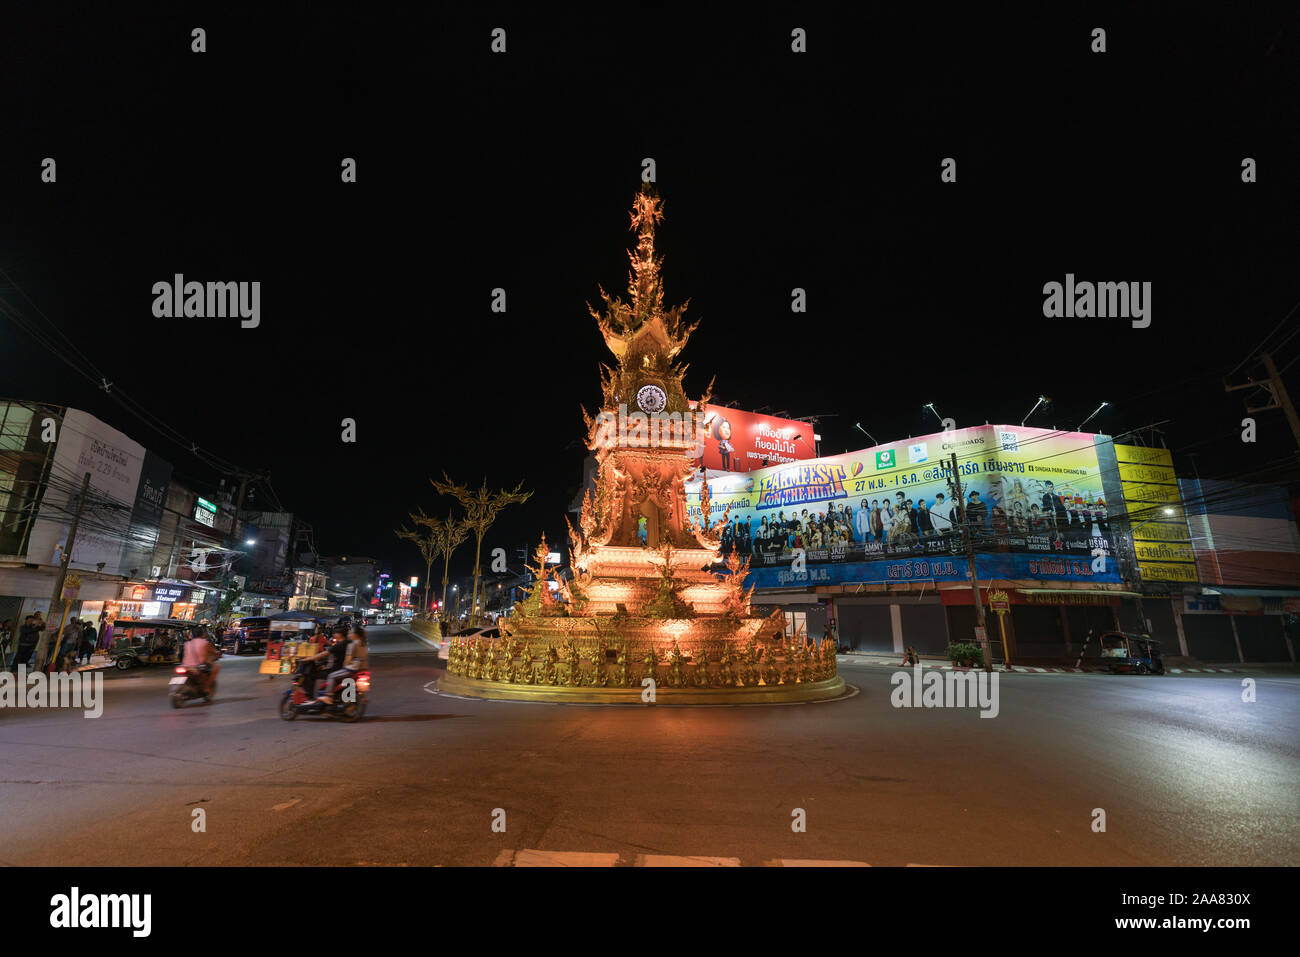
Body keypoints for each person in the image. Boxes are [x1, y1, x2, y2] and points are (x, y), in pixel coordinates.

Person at [317, 626, 368, 705]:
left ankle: (329, 696)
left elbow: (348, 658)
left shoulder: (352, 644)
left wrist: (345, 666)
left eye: (351, 633)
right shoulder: (363, 644)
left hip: (352, 669)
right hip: (363, 669)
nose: (349, 634)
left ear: (355, 635)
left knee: (331, 676)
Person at [182, 626, 221, 694]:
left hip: (185, 666)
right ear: (203, 634)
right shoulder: (205, 643)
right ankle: (206, 687)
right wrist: (219, 655)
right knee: (216, 667)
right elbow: (214, 652)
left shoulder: (187, 643)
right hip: (198, 666)